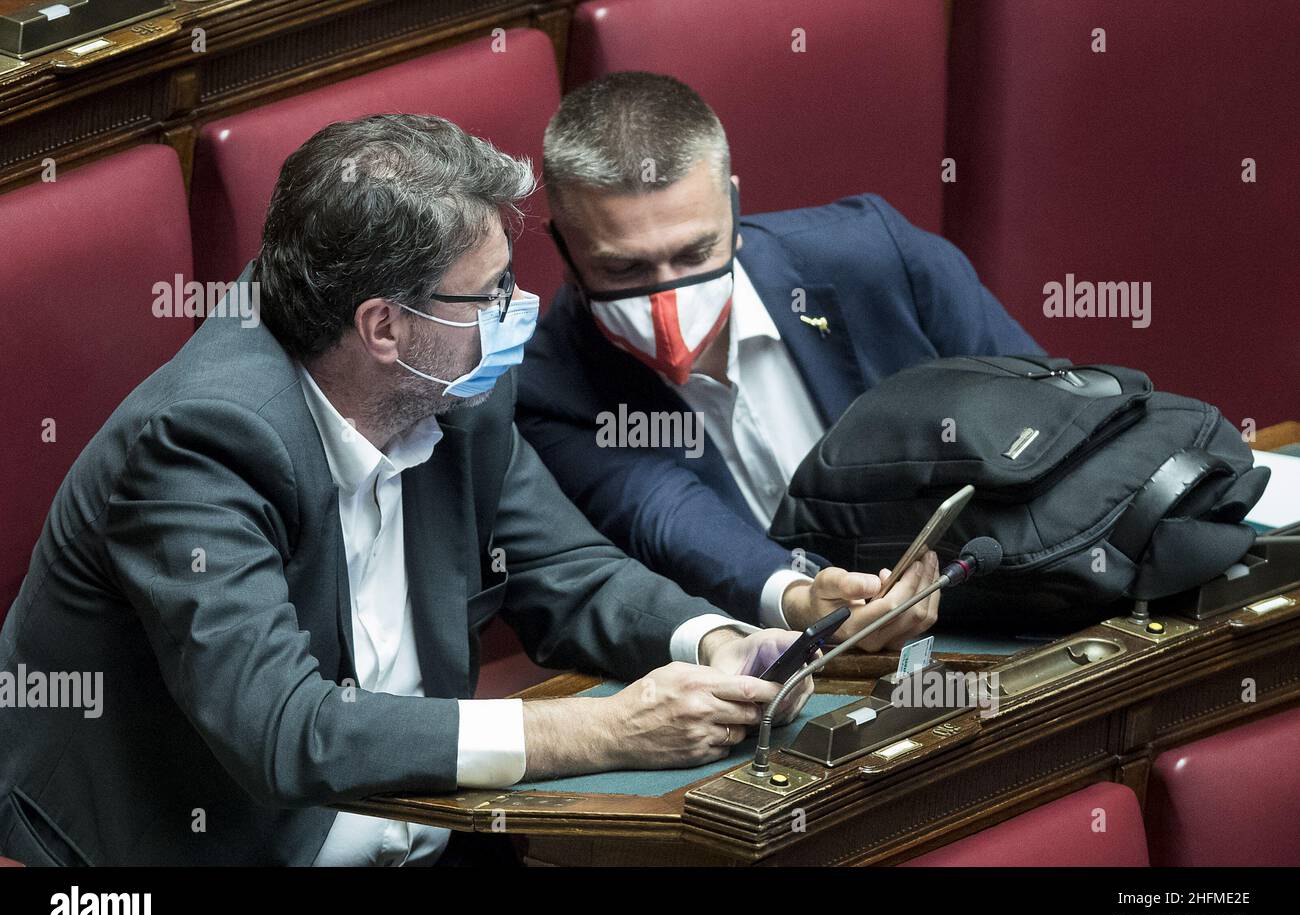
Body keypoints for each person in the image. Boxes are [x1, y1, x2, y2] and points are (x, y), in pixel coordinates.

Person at [0, 114, 833, 866]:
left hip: (434, 833)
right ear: (385, 327)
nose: (518, 310)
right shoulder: (203, 444)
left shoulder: (453, 385)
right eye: (491, 293)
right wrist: (600, 730)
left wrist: (715, 642)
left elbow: (569, 570)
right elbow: (283, 730)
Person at [517, 71, 1041, 639]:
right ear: (565, 250)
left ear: (734, 208)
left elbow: (1043, 408)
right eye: (624, 268)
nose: (668, 295)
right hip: (774, 657)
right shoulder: (550, 387)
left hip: (1003, 596)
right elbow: (662, 516)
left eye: (695, 253)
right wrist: (800, 601)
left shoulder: (879, 258)